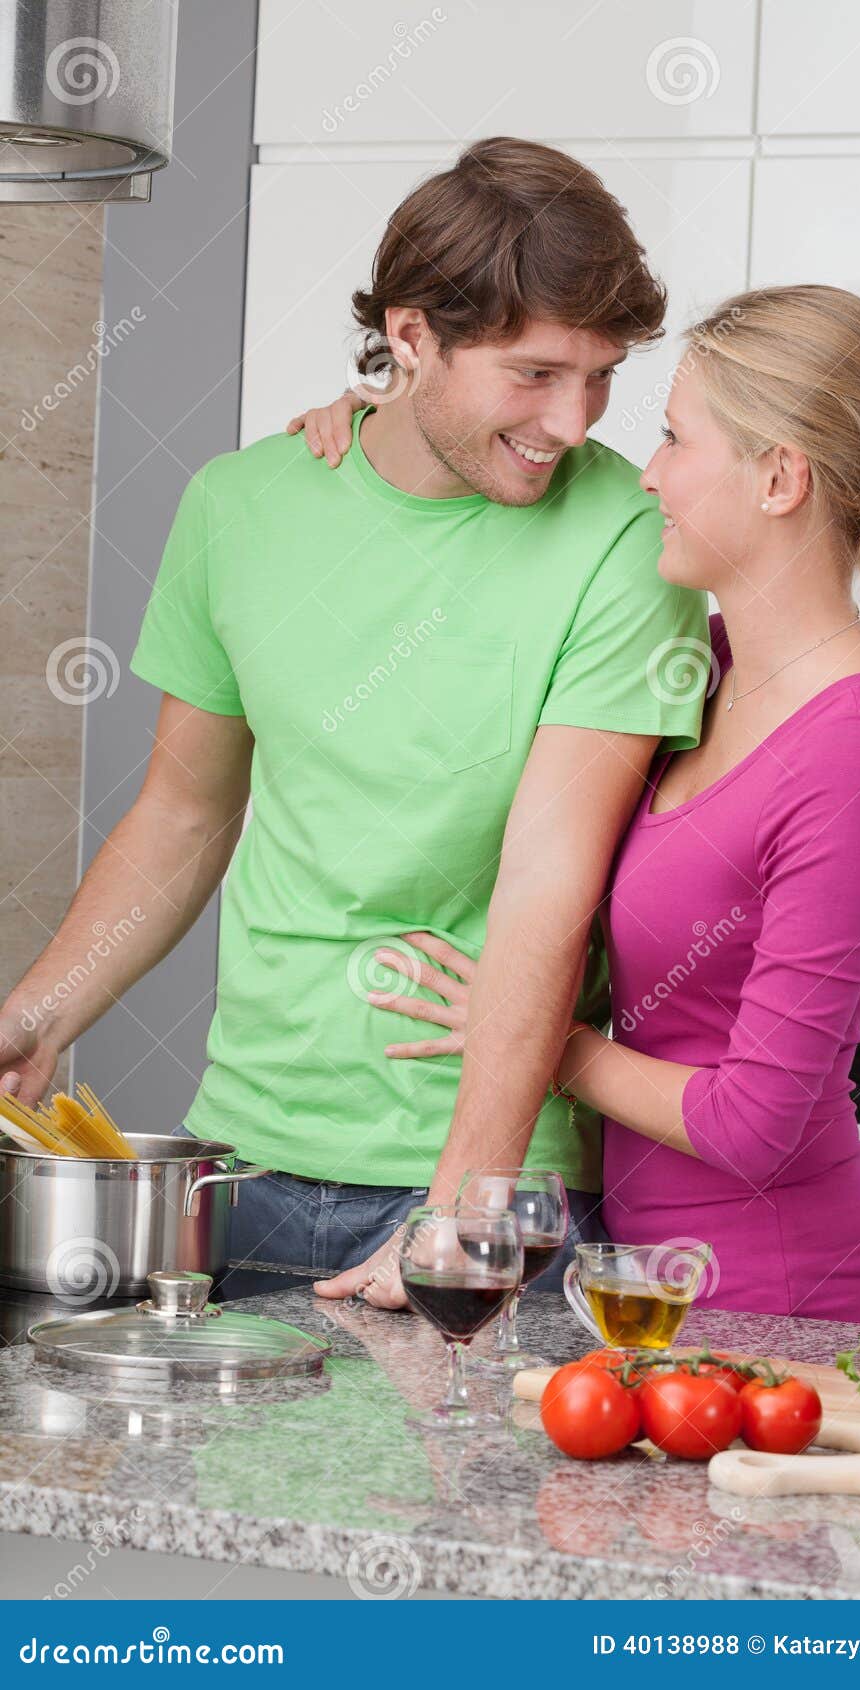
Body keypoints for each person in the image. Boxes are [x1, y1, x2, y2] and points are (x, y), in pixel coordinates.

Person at [0, 138, 710, 1305]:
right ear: (411, 336)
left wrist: (465, 1204)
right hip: (241, 1162)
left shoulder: (626, 542)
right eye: (535, 373)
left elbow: (549, 881)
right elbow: (183, 815)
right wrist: (39, 1012)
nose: (572, 422)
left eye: (600, 377)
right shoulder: (240, 506)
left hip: (486, 1178)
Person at [316, 284, 860, 1320]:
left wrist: (532, 1034)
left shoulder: (855, 752)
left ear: (778, 478)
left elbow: (755, 1122)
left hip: (781, 1303)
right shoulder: (708, 662)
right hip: (646, 1285)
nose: (646, 473)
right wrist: (380, 420)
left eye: (674, 439)